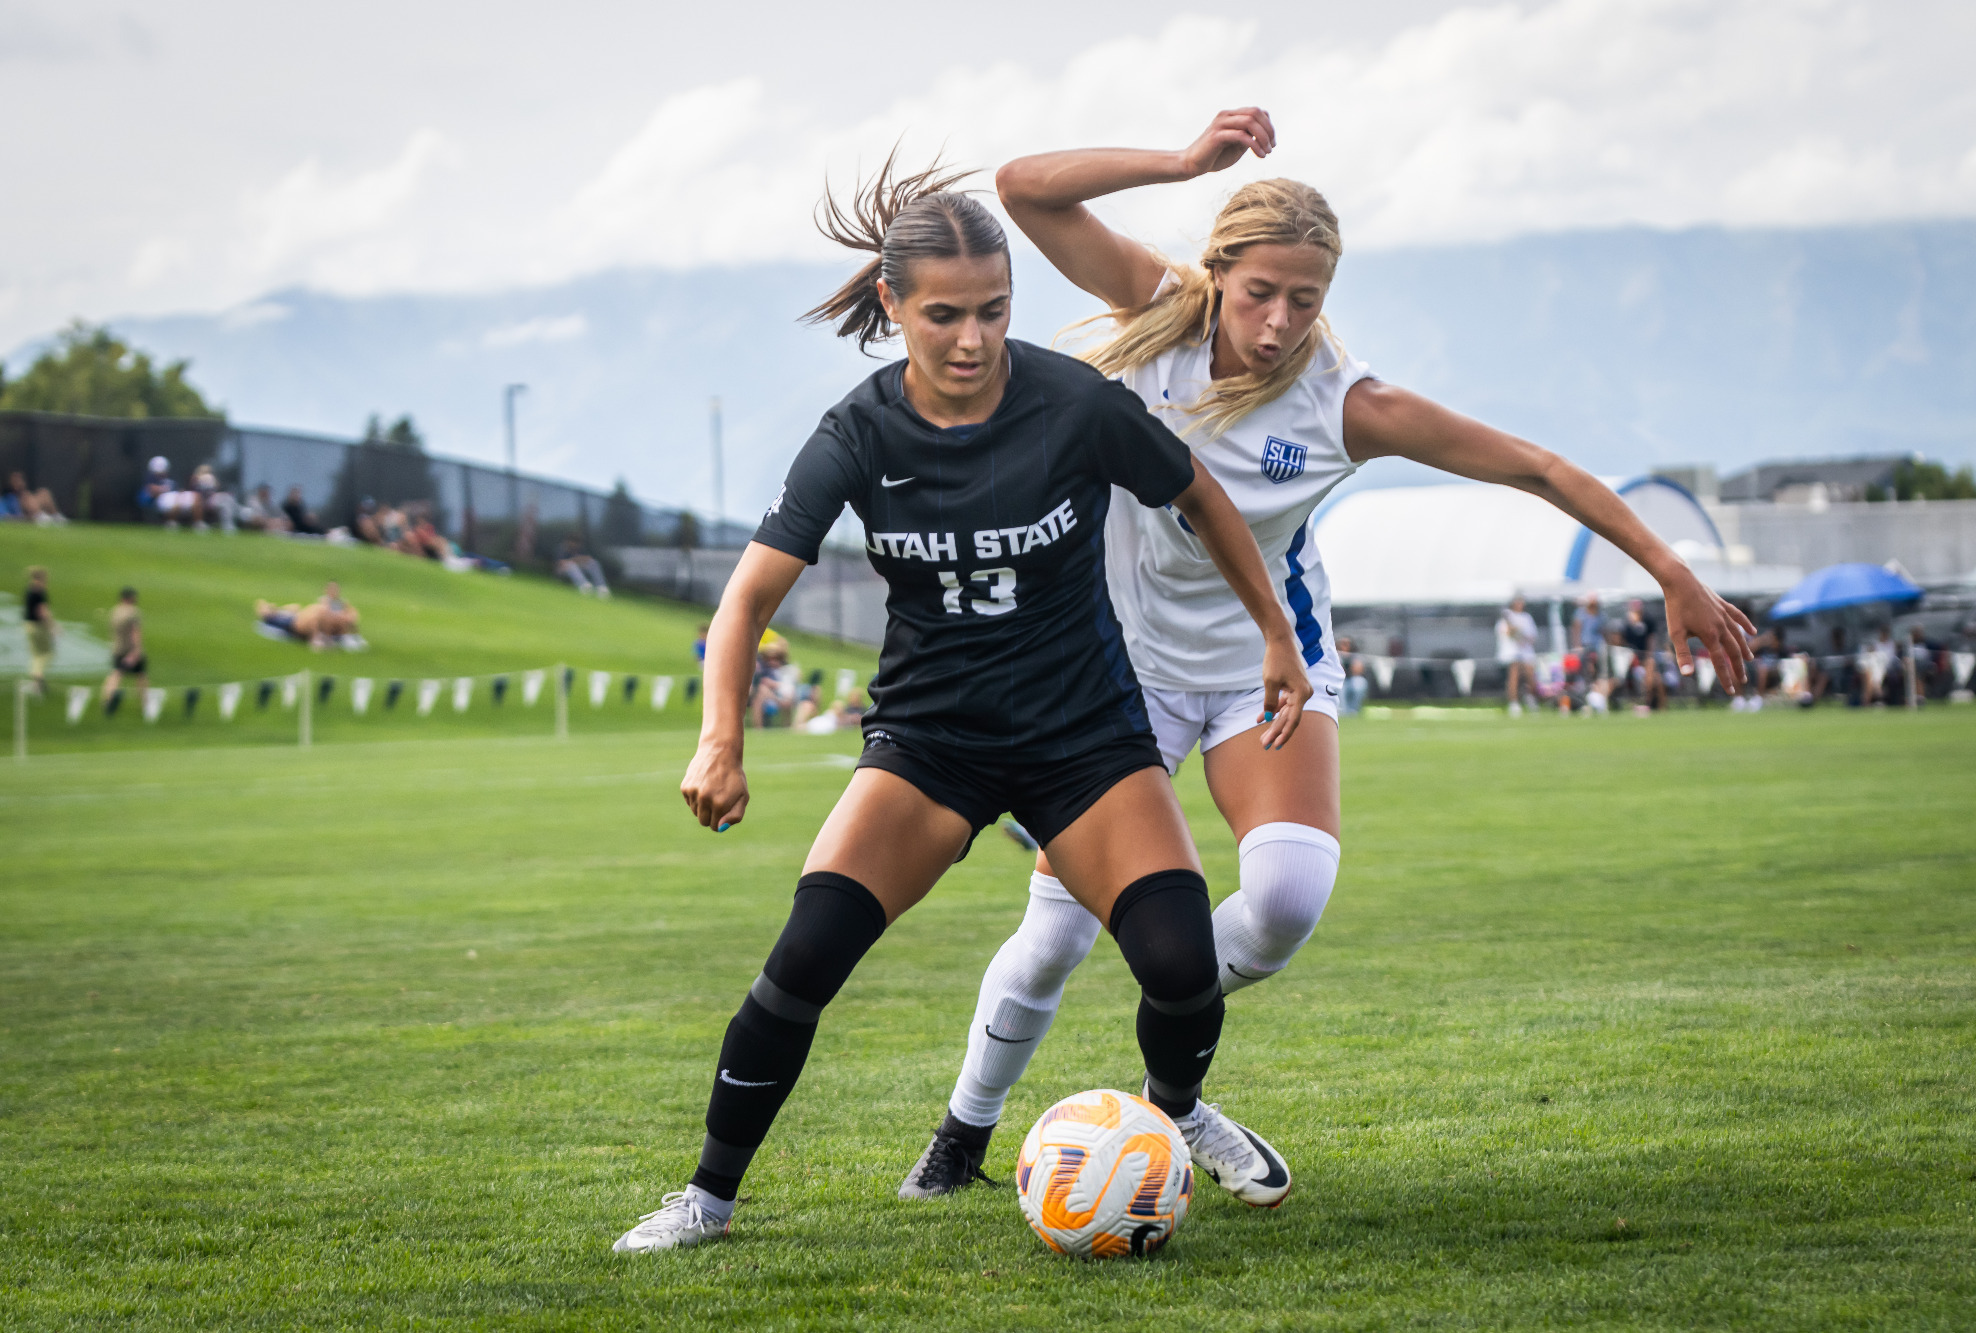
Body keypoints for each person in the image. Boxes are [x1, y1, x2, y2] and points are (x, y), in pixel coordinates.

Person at [903, 108, 1756, 1206]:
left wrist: (1670, 570)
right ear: (1216, 275)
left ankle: (1164, 1099)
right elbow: (1022, 187)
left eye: (1304, 299)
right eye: (1258, 292)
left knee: (1286, 900)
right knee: (1053, 936)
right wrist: (1179, 162)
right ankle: (961, 1136)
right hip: (1114, 678)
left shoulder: (1346, 405)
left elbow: (1535, 469)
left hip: (1272, 667)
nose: (1276, 321)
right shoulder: (1154, 311)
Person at [611, 157, 1315, 1254]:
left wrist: (1274, 632)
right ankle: (704, 1199)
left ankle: (1169, 1119)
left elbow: (1199, 495)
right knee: (805, 958)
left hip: (1083, 740)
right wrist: (719, 742)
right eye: (944, 315)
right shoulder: (858, 433)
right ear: (892, 306)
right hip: (929, 745)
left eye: (993, 311)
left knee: (1179, 965)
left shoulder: (1073, 403)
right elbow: (748, 595)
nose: (972, 338)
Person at [102, 586, 147, 706]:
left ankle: (107, 699)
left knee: (116, 673)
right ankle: (144, 702)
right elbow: (135, 633)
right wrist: (136, 650)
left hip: (117, 647)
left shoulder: (115, 611)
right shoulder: (133, 612)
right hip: (130, 649)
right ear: (130, 597)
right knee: (141, 675)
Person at [1496, 594, 1540, 716]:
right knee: (1513, 676)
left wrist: (1522, 635)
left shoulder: (1527, 617)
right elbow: (1506, 633)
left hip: (1526, 653)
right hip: (1511, 653)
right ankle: (1514, 703)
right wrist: (1513, 629)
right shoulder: (1506, 618)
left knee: (1530, 676)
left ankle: (1531, 698)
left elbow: (1531, 636)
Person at [22, 566, 55, 697]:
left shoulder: (29, 589)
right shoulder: (40, 592)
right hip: (38, 626)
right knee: (46, 653)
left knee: (35, 653)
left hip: (28, 625)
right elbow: (42, 612)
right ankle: (38, 679)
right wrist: (52, 626)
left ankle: (35, 680)